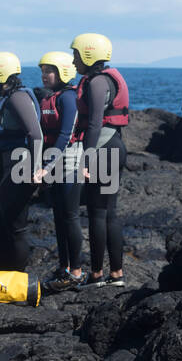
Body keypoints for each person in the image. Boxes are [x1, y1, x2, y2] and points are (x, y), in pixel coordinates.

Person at [70, 32, 129, 287]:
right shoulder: (105, 79)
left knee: (96, 213)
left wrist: (86, 159)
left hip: (102, 150)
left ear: (88, 55)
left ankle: (96, 275)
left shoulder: (95, 83)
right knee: (110, 214)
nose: (73, 62)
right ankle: (116, 274)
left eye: (76, 56)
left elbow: (93, 124)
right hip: (114, 147)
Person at [0, 52, 44, 271]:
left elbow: (36, 134)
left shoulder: (18, 98)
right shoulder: (5, 97)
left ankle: (17, 277)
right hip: (4, 167)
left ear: (0, 74)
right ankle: (5, 272)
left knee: (16, 226)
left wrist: (35, 170)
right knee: (3, 223)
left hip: (18, 166)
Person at [38, 51, 85, 292]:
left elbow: (66, 136)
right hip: (53, 161)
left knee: (70, 216)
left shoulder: (68, 98)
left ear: (63, 71)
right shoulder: (50, 98)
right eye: (43, 70)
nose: (45, 75)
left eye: (50, 70)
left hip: (69, 161)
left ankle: (76, 272)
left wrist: (46, 167)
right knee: (58, 217)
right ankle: (64, 267)